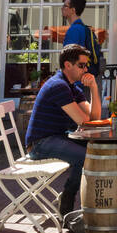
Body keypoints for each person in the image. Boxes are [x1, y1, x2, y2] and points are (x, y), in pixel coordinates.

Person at [24, 43, 102, 216]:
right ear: (68, 65)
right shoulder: (58, 86)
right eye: (81, 65)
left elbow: (94, 117)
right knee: (85, 156)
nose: (86, 69)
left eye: (86, 65)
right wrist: (87, 118)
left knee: (93, 150)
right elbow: (84, 121)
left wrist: (94, 88)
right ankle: (67, 200)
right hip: (40, 144)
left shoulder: (72, 87)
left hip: (56, 138)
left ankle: (69, 198)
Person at [62, 0, 103, 72]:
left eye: (65, 6)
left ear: (73, 10)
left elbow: (68, 58)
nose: (62, 8)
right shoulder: (83, 29)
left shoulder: (74, 30)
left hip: (76, 79)